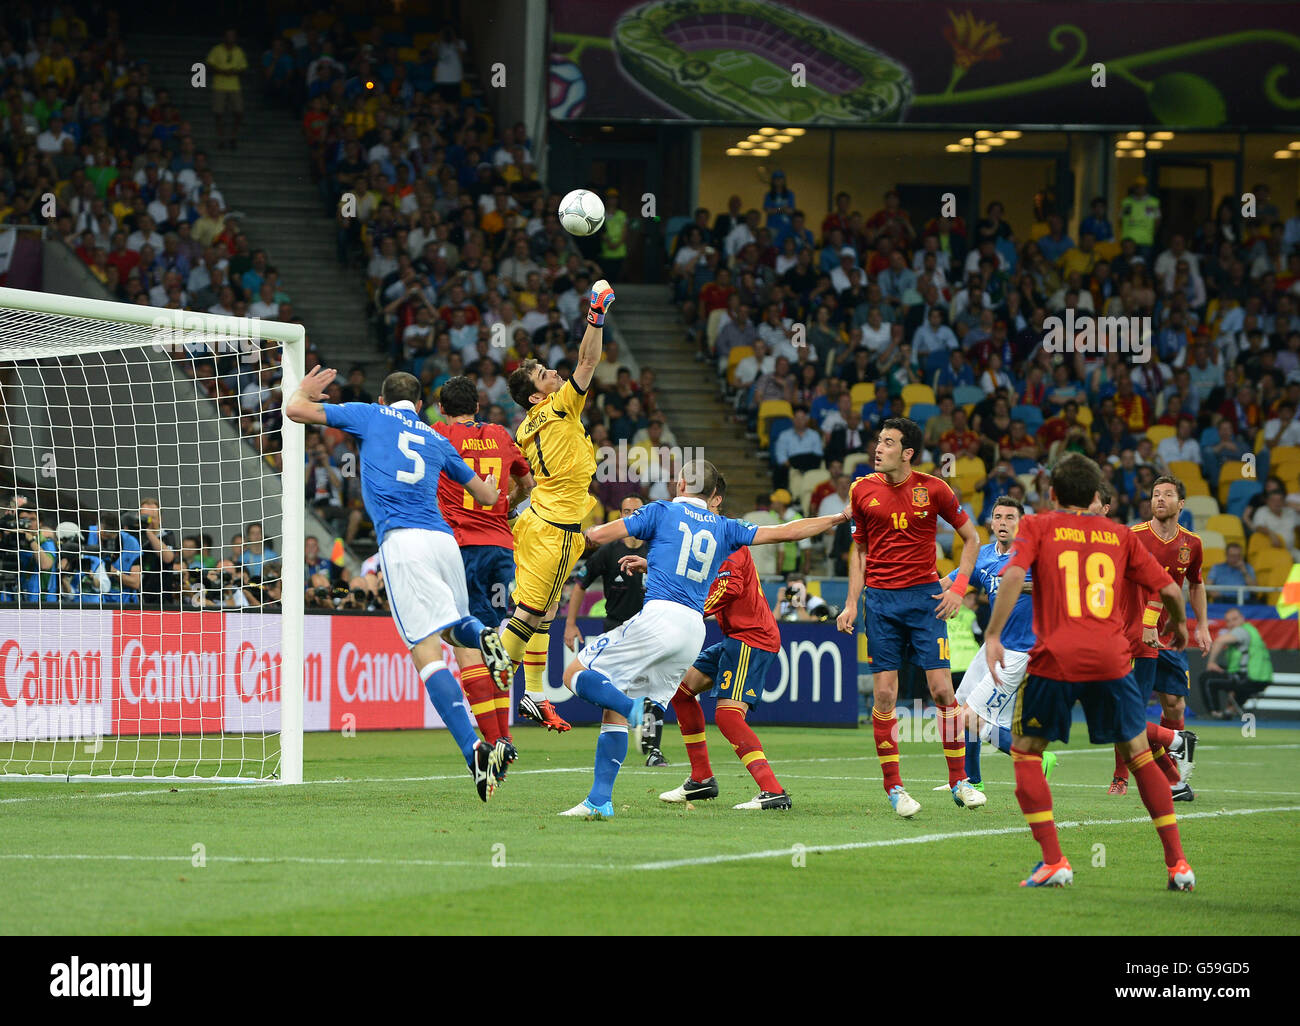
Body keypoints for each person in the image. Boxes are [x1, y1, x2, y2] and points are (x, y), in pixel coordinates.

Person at [554, 459, 846, 818]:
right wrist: (837, 518)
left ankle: (638, 712)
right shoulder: (725, 527)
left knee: (574, 674)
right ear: (712, 496)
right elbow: (785, 531)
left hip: (665, 617)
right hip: (695, 629)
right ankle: (601, 800)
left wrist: (552, 535)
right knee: (635, 700)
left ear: (679, 485)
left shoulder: (661, 511)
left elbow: (596, 536)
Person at [286, 366, 514, 803]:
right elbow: (488, 498)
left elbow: (296, 410)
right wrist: (489, 480)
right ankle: (484, 635)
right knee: (453, 628)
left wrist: (306, 390)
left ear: (383, 399)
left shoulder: (370, 416)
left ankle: (472, 749)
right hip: (444, 541)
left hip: (404, 542)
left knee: (425, 651)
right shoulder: (434, 437)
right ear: (421, 402)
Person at [984, 452, 1195, 890]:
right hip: (1110, 658)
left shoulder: (1040, 526)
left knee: (1025, 753)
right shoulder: (1121, 536)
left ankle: (1054, 860)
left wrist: (993, 635)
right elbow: (1173, 589)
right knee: (1139, 757)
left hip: (1054, 658)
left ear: (1054, 494)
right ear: (1096, 493)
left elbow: (1011, 577)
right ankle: (1178, 865)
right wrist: (1176, 623)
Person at [836, 417, 985, 818]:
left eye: (888, 443)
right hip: (880, 603)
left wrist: (958, 587)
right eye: (878, 441)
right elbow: (860, 551)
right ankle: (895, 788)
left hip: (925, 601)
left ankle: (960, 782)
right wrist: (851, 603)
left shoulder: (935, 489)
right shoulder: (861, 489)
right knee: (885, 695)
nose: (878, 448)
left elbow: (972, 538)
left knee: (942, 692)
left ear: (908, 453)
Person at [501, 279, 617, 733]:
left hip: (553, 524)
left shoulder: (528, 426)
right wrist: (596, 313)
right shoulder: (558, 408)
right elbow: (588, 359)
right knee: (528, 613)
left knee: (543, 614)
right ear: (537, 396)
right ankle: (492, 680)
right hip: (549, 527)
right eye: (543, 374)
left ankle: (531, 694)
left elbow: (519, 481)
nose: (553, 373)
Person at [646, 474, 793, 810]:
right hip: (735, 638)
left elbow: (731, 589)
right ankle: (701, 779)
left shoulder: (731, 537)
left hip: (752, 637)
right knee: (681, 691)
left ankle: (773, 790)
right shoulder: (708, 538)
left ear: (716, 502)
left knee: (728, 716)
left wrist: (691, 610)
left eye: (707, 500)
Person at [433, 375, 535, 749]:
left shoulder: (440, 433)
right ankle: (505, 736)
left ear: (442, 408)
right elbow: (528, 486)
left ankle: (496, 741)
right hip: (501, 550)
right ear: (477, 406)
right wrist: (508, 510)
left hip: (460, 548)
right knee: (492, 638)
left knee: (464, 642)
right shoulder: (503, 436)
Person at [938, 497, 1057, 793]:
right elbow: (954, 582)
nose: (1003, 523)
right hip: (993, 646)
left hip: (1020, 651)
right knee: (959, 709)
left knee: (970, 718)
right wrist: (913, 589)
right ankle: (970, 779)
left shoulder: (1034, 555)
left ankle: (1036, 758)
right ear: (991, 523)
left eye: (1010, 517)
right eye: (998, 517)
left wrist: (1019, 584)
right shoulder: (984, 556)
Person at [1109, 476, 1210, 800]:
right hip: (1131, 636)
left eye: (1168, 494)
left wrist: (1202, 626)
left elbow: (1195, 584)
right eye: (1155, 494)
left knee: (1174, 702)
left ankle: (1174, 771)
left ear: (1181, 504)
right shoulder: (1133, 536)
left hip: (1166, 634)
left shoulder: (1191, 544)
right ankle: (1122, 777)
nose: (1160, 499)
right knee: (1128, 707)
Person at [564, 495, 661, 763]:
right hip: (616, 628)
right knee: (612, 692)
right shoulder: (608, 551)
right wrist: (570, 623)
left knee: (650, 687)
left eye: (636, 512)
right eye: (626, 512)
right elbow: (580, 584)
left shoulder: (656, 549)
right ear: (619, 515)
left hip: (648, 628)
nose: (631, 516)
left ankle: (653, 749)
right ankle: (620, 742)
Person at [1201, 608, 1274, 718]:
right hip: (1260, 678)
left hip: (1248, 678)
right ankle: (1230, 710)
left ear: (1242, 619)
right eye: (1228, 621)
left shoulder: (1241, 630)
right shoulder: (1252, 630)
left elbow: (1220, 641)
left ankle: (1214, 714)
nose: (1231, 623)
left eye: (1234, 619)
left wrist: (1211, 662)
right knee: (1222, 671)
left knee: (1207, 678)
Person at [206, 29, 248, 150]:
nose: (230, 37)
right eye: (228, 35)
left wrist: (234, 71)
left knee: (239, 111)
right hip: (219, 85)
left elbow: (243, 67)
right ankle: (221, 137)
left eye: (232, 35)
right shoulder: (217, 49)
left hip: (234, 86)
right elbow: (209, 64)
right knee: (218, 113)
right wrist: (221, 71)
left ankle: (233, 135)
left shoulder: (239, 51)